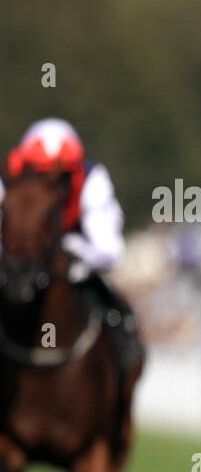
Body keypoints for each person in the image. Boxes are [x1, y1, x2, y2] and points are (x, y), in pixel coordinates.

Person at [2, 118, 141, 373]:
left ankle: (123, 378)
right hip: (17, 269)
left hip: (75, 274)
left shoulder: (92, 180)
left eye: (60, 177)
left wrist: (76, 254)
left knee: (120, 319)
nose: (48, 185)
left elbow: (110, 250)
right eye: (39, 173)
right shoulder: (8, 184)